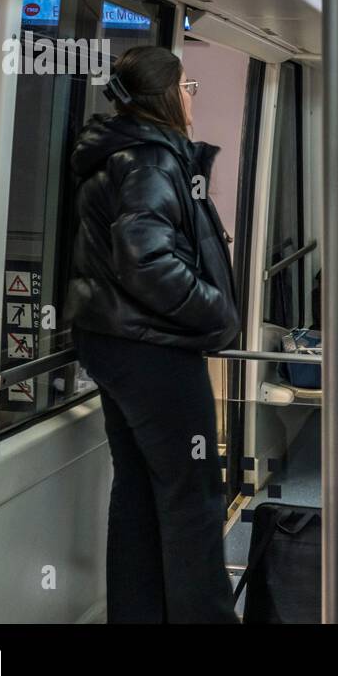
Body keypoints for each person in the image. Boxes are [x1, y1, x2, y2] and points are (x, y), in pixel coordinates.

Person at [65, 45, 239, 623]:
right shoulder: (150, 161)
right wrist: (214, 310)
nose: (192, 99)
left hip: (114, 344)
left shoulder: (120, 153)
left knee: (139, 490)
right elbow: (145, 260)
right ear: (166, 96)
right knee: (193, 497)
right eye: (188, 88)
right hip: (153, 352)